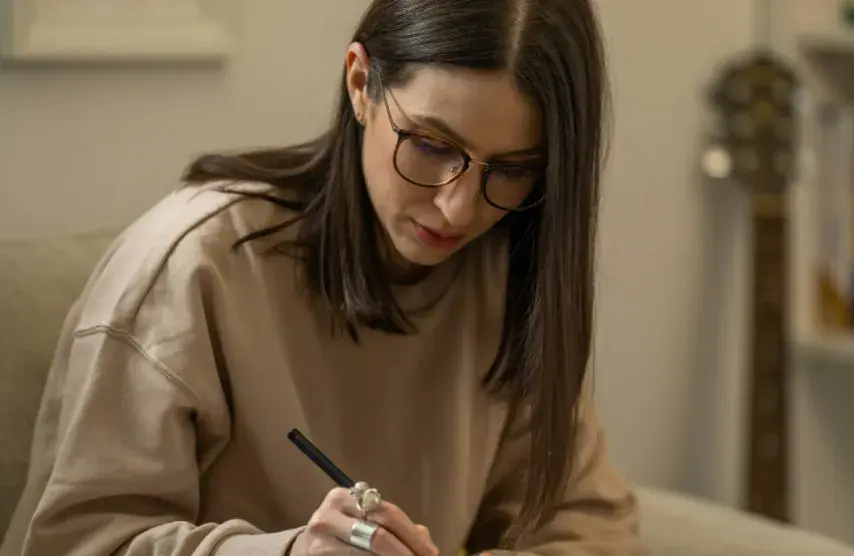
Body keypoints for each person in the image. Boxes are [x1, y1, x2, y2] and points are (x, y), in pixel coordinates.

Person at [0, 0, 644, 555]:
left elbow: (588, 528)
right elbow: (72, 542)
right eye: (431, 144)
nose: (459, 206)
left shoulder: (508, 272)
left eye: (511, 168)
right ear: (361, 84)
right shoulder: (196, 267)